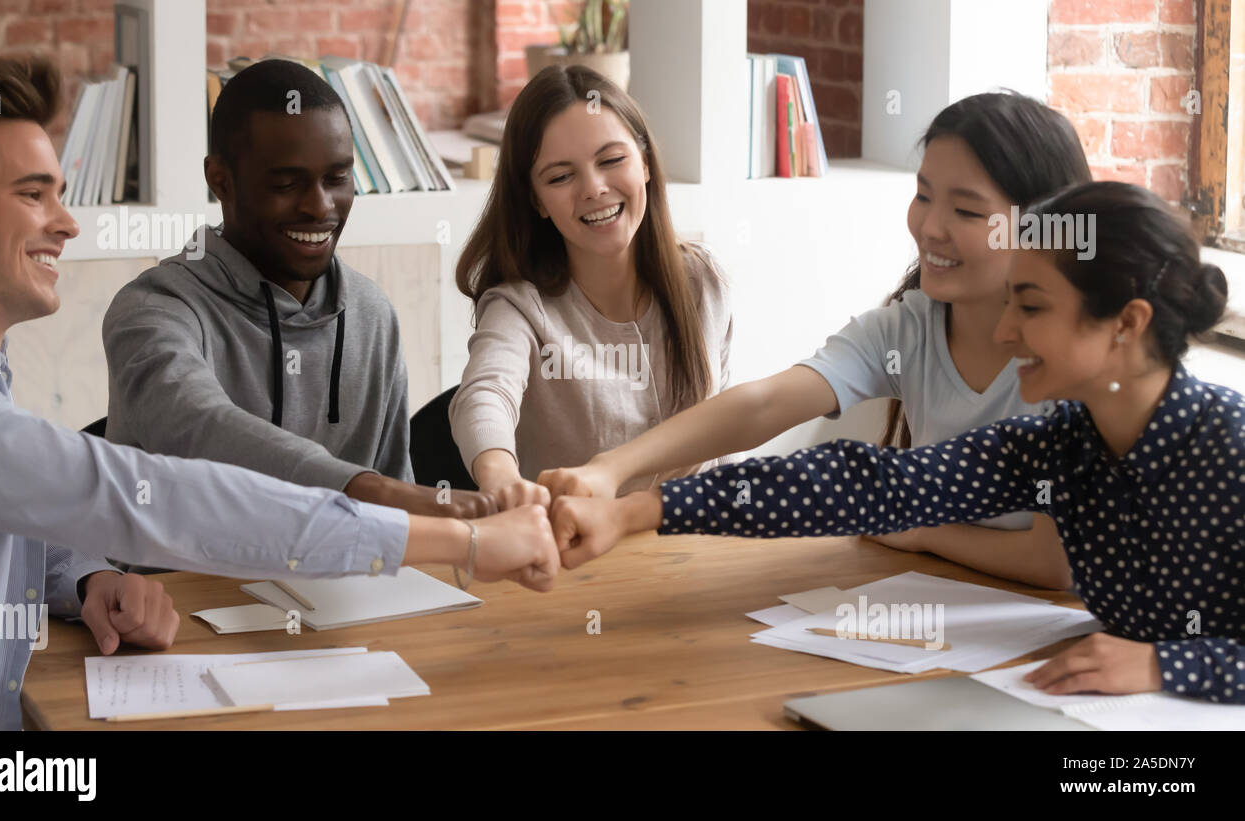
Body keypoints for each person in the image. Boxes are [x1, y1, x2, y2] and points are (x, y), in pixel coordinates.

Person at [0, 57, 558, 731]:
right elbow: (166, 485)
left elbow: (33, 514)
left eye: (60, 193)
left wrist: (90, 577)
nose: (69, 223)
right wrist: (447, 531)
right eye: (33, 195)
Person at [550, 181, 1242, 703]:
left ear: (1127, 322)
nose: (1004, 332)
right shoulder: (1061, 446)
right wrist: (635, 510)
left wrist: (1161, 665)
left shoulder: (1230, 449)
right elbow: (867, 485)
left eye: (1030, 307)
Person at [540, 92, 1094, 589]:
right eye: (923, 196)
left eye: (967, 211)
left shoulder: (1074, 361)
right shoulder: (911, 328)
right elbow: (765, 404)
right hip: (936, 600)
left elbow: (1055, 564)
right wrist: (609, 470)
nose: (930, 227)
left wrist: (919, 529)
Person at [103, 59, 495, 534]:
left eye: (337, 179)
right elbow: (199, 425)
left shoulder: (370, 314)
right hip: (177, 596)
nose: (320, 207)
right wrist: (363, 489)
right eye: (286, 184)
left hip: (340, 592)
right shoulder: (152, 311)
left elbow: (398, 511)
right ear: (220, 180)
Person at [449, 65, 734, 510]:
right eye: (561, 177)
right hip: (576, 557)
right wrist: (500, 475)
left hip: (693, 547)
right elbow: (485, 395)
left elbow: (727, 434)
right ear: (536, 200)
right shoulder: (520, 307)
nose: (594, 189)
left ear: (644, 162)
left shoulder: (704, 281)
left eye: (611, 160)